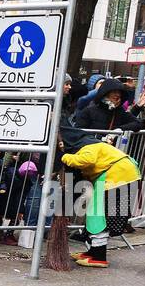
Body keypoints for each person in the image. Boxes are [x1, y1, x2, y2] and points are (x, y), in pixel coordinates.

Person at [57, 125, 140, 268]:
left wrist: (63, 157)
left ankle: (99, 256)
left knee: (98, 216)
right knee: (96, 214)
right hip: (120, 175)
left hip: (116, 177)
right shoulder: (91, 143)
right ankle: (93, 251)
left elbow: (85, 160)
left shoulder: (87, 147)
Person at [71, 78, 140, 133]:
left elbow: (137, 123)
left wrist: (119, 130)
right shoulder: (89, 111)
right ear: (106, 92)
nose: (118, 95)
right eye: (114, 92)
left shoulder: (119, 111)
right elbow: (79, 132)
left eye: (120, 92)